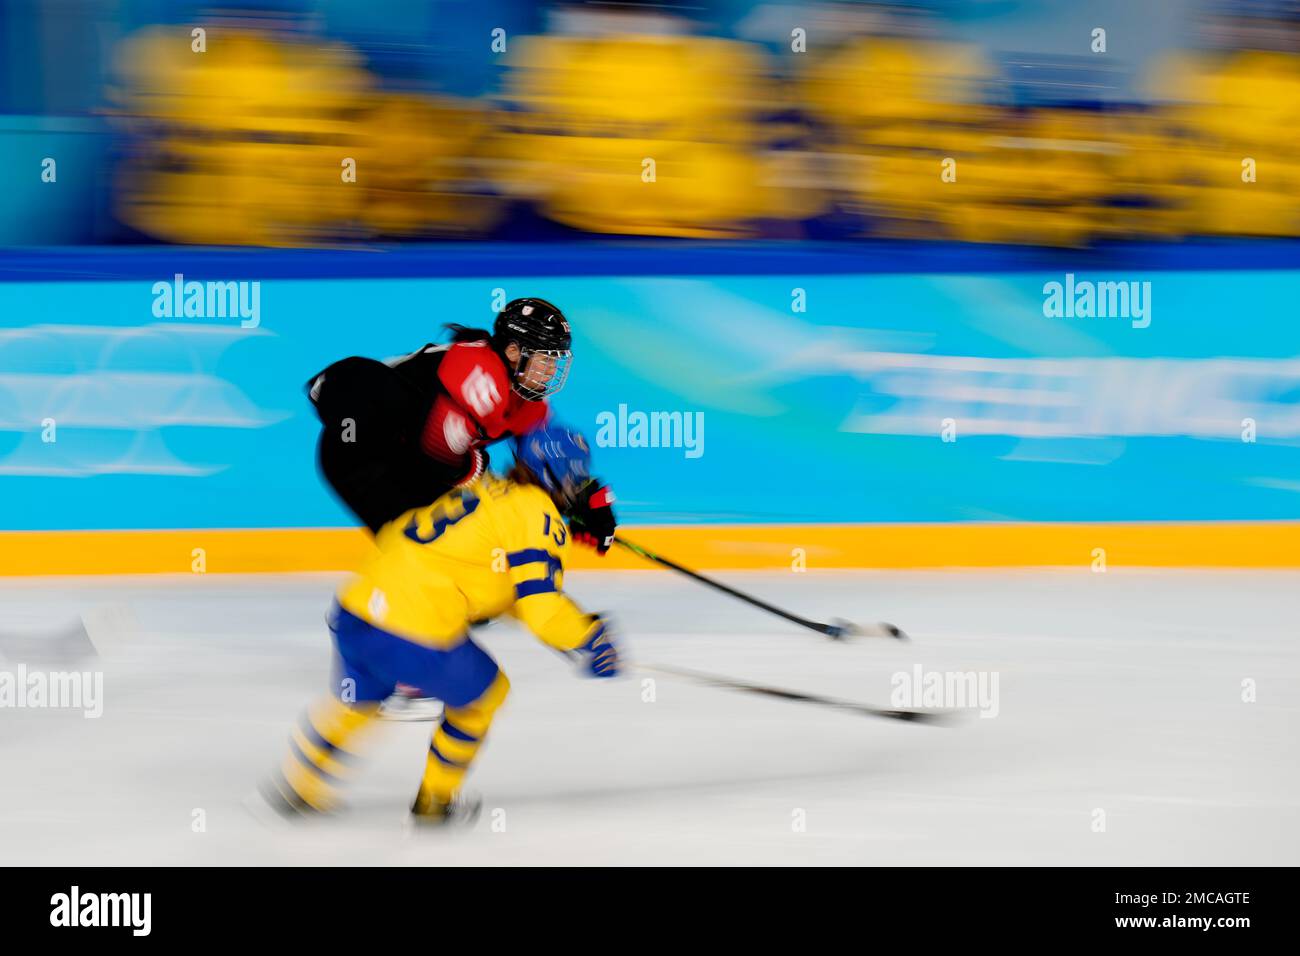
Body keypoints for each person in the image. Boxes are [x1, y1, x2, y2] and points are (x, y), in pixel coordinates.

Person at [263, 425, 621, 824]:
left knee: (359, 703)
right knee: (485, 695)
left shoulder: (488, 491)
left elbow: (507, 590)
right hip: (407, 628)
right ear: (558, 473)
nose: (580, 485)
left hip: (355, 609)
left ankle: (300, 788)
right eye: (577, 475)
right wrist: (588, 637)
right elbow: (542, 612)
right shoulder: (536, 513)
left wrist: (571, 630)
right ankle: (435, 802)